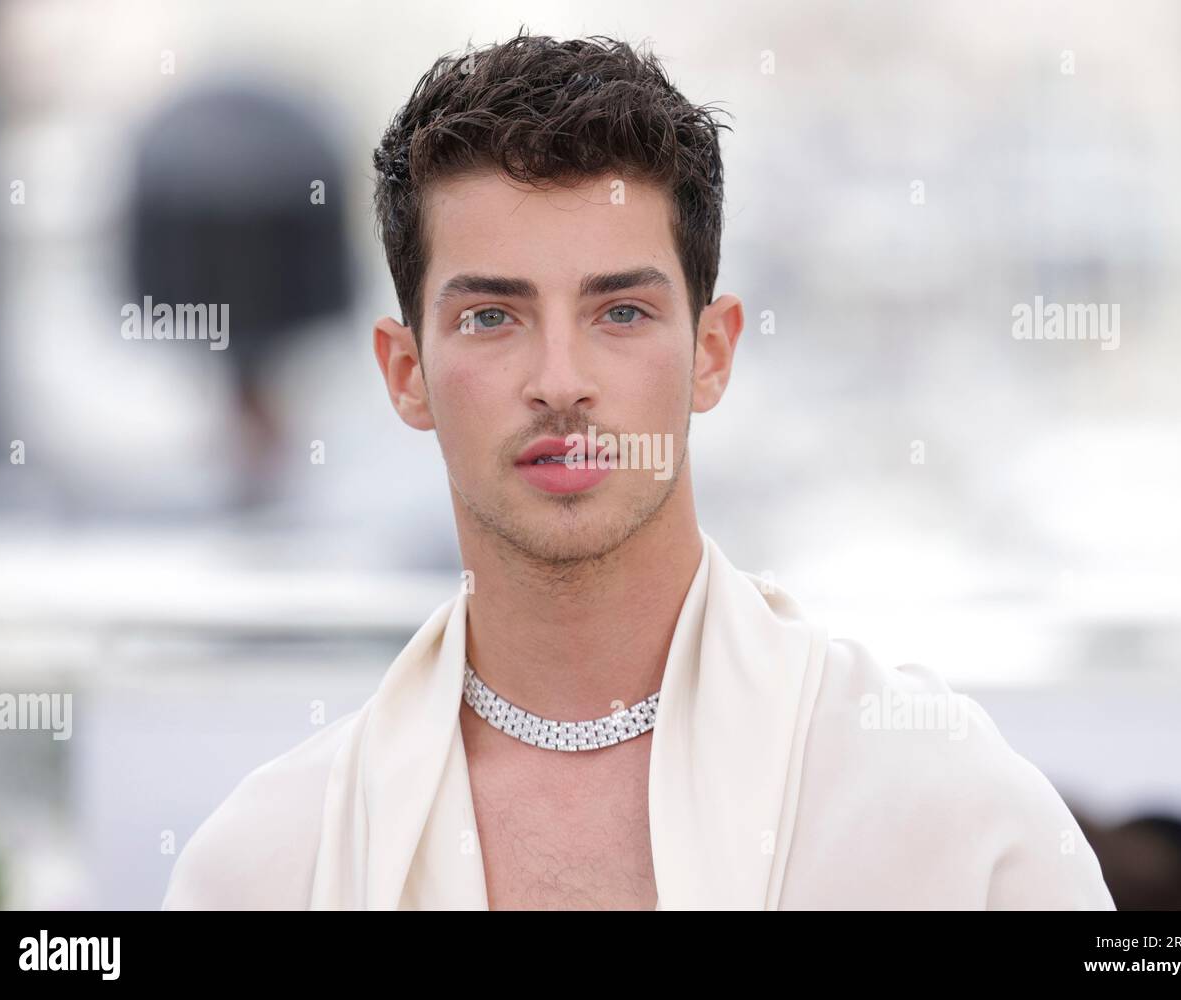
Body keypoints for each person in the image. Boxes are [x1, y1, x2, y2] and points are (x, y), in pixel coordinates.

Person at [162, 29, 1115, 910]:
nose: (560, 383)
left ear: (711, 354)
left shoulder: (943, 813)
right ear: (406, 375)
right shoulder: (270, 865)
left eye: (620, 313)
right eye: (492, 317)